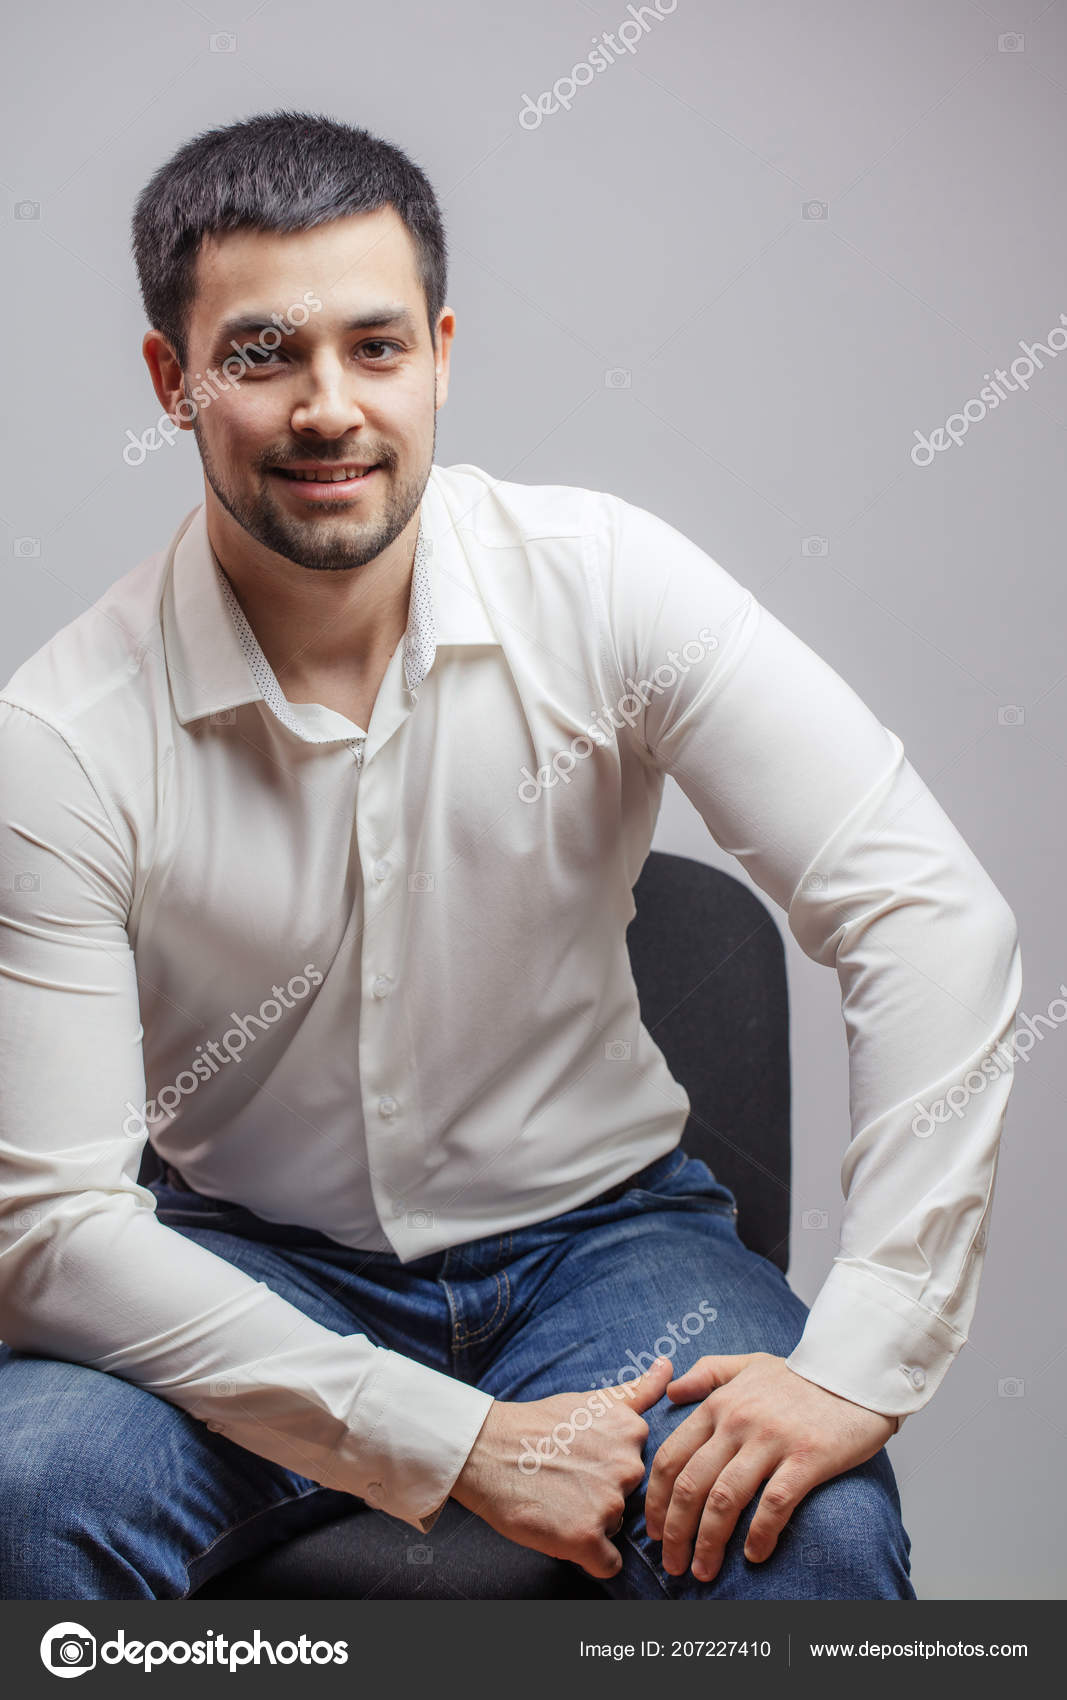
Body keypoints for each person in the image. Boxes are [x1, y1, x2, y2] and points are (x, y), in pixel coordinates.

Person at [0, 112, 1021, 1602]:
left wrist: (871, 1349)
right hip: (243, 1261)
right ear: (176, 381)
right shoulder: (60, 739)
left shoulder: (606, 584)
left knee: (810, 1535)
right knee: (28, 1494)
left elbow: (931, 916)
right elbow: (50, 1235)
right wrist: (457, 1438)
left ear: (443, 353)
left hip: (607, 1254)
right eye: (265, 353)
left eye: (377, 346)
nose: (329, 407)